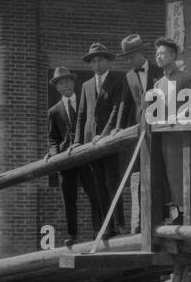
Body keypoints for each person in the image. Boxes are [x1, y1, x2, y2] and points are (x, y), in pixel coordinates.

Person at [152, 37, 191, 225]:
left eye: (163, 53)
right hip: (164, 134)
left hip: (181, 132)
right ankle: (184, 207)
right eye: (157, 54)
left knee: (179, 170)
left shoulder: (185, 78)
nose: (159, 57)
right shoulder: (158, 83)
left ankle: (186, 210)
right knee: (169, 172)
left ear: (173, 55)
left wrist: (179, 117)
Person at [75, 41, 126, 239]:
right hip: (90, 143)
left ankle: (119, 224)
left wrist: (104, 135)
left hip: (109, 141)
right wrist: (78, 141)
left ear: (107, 62)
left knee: (112, 181)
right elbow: (81, 115)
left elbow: (116, 110)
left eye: (100, 60)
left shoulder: (117, 80)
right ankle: (106, 226)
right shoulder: (86, 85)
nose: (97, 64)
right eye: (93, 61)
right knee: (98, 186)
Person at [45, 66, 98, 248]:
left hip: (86, 156)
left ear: (73, 82)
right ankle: (72, 234)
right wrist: (54, 154)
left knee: (94, 193)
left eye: (67, 81)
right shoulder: (54, 111)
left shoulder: (86, 102)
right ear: (57, 87)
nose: (65, 85)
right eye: (61, 83)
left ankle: (98, 230)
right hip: (66, 161)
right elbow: (52, 137)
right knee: (69, 198)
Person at [116, 33, 162, 235]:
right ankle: (139, 221)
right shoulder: (128, 76)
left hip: (159, 127)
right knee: (139, 174)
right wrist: (118, 127)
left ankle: (163, 216)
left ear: (141, 53)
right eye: (126, 57)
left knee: (159, 170)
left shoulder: (159, 70)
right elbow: (124, 103)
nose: (129, 60)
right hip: (140, 129)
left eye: (131, 56)